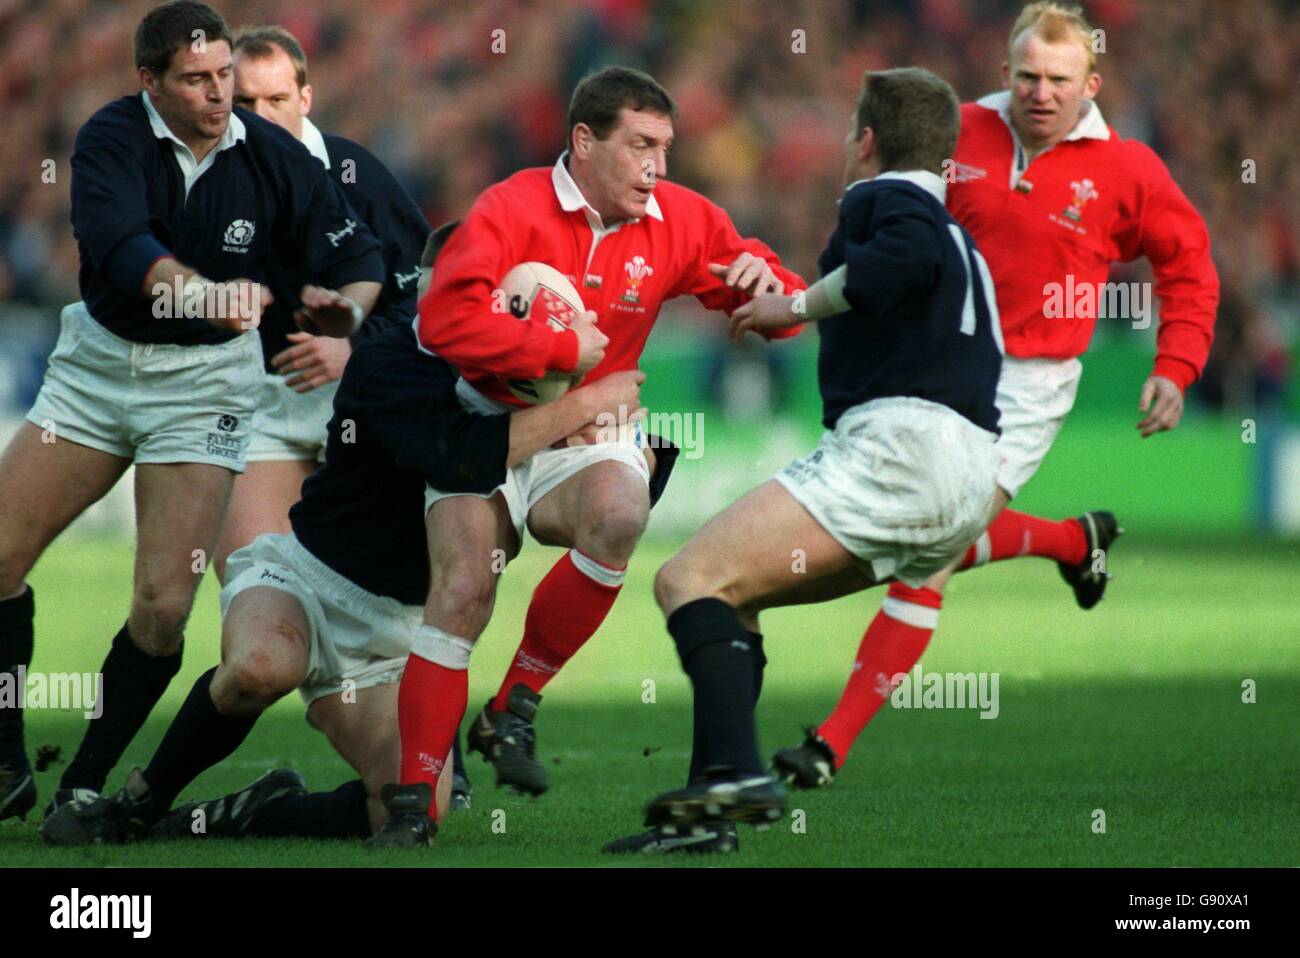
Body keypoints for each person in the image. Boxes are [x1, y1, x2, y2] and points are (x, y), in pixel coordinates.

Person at [40, 227, 653, 847]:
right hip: (305, 579)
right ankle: (141, 802)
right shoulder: (391, 358)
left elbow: (603, 491)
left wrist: (619, 438)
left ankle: (251, 812)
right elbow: (461, 459)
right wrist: (585, 406)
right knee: (259, 667)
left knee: (412, 810)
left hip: (397, 636)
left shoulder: (533, 371)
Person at [774, 0, 1219, 789]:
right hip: (937, 359)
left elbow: (1188, 265)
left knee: (930, 552)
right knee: (934, 530)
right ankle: (1073, 543)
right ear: (1001, 73)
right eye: (1025, 76)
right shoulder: (958, 136)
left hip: (1031, 381)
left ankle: (830, 746)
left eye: (1058, 79)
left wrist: (1175, 365)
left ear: (1092, 83)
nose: (1040, 92)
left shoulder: (1128, 170)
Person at [385, 65, 805, 824]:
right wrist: (553, 350)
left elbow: (784, 308)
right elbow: (446, 324)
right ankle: (415, 801)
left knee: (621, 512)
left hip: (589, 437)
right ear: (584, 141)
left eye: (667, 147)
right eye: (641, 144)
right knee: (461, 593)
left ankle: (514, 704)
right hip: (484, 423)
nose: (660, 166)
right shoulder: (508, 208)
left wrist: (766, 285)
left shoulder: (679, 219)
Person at [0, 0, 384, 823]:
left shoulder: (274, 157)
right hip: (97, 371)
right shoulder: (111, 139)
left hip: (204, 386)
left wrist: (344, 315)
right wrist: (207, 292)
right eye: (197, 80)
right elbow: (126, 250)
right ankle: (6, 759)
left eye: (223, 78)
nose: (218, 95)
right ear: (150, 81)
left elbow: (359, 257)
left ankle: (84, 783)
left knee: (164, 606)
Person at [606, 66, 1004, 853]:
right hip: (964, 476)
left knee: (683, 578)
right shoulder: (963, 237)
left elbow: (899, 261)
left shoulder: (887, 201)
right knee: (733, 596)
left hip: (899, 448)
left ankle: (736, 775)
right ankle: (709, 813)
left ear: (865, 140)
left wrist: (793, 303)